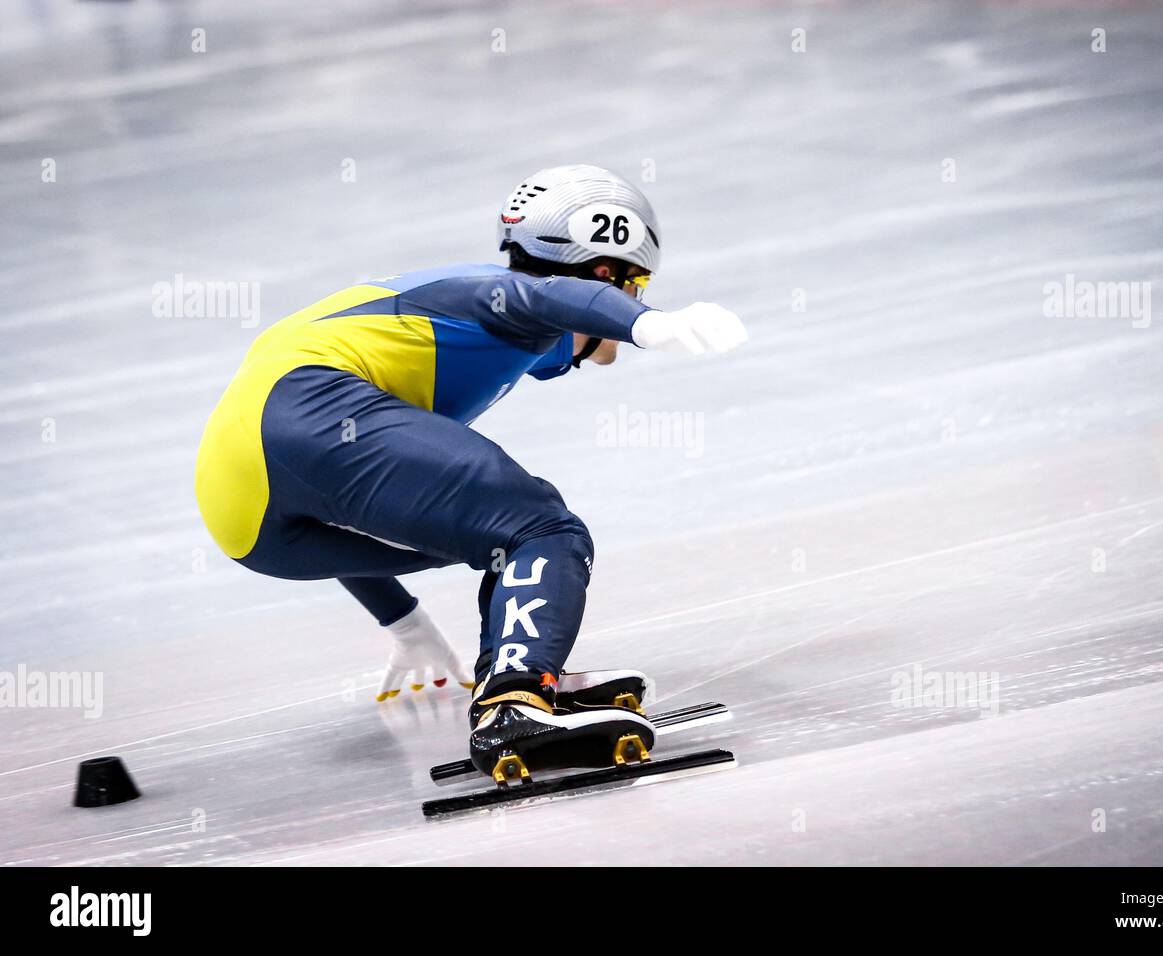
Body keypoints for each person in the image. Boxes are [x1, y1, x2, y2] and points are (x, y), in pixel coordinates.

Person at [194, 164, 748, 775]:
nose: (633, 297)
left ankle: (515, 678)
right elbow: (547, 297)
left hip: (251, 522)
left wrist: (405, 623)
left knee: (495, 539)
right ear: (604, 273)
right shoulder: (491, 291)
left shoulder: (461, 327)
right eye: (635, 282)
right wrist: (651, 324)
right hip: (312, 406)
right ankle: (514, 704)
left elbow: (325, 483)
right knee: (541, 529)